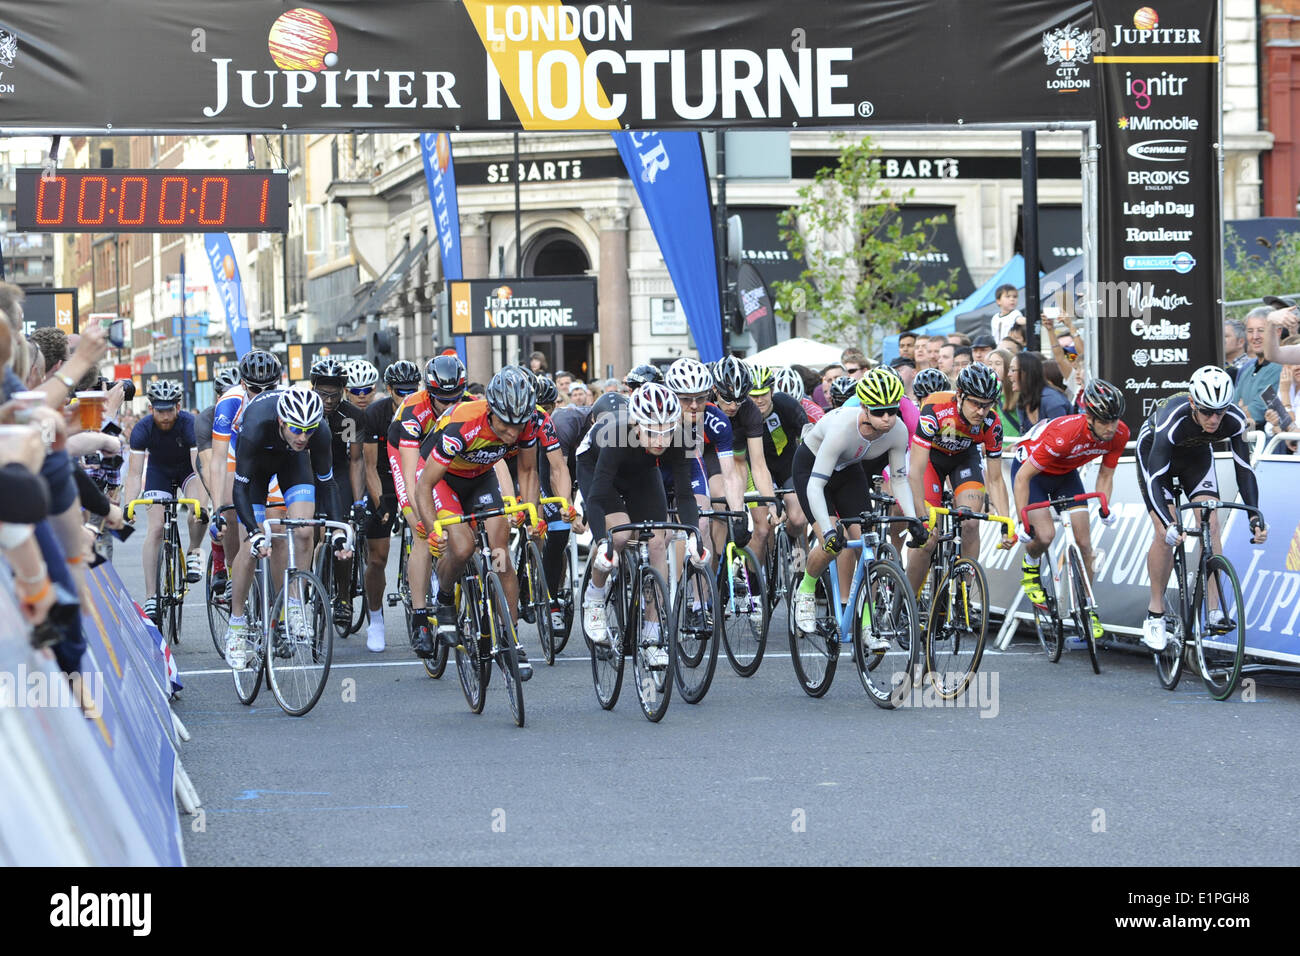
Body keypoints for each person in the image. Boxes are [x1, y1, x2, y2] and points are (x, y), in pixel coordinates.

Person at [414, 367, 540, 677]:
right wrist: (432, 530)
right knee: (461, 546)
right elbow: (424, 487)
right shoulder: (463, 425)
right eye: (506, 425)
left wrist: (531, 511)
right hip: (443, 480)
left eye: (518, 425)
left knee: (500, 556)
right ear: (491, 412)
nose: (513, 433)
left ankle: (511, 640)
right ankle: (444, 598)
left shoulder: (526, 424)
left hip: (480, 477)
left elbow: (528, 471)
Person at [1135, 366, 1266, 651]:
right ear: (1194, 404)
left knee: (1212, 523)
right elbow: (1156, 479)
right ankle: (1155, 613)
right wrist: (1168, 524)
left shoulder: (1234, 420)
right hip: (1156, 457)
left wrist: (1254, 515)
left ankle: (1215, 609)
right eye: (1207, 411)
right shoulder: (1172, 419)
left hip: (1196, 457)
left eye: (1220, 412)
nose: (1214, 419)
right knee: (1164, 531)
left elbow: (1243, 470)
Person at [225, 388, 351, 669]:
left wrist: (339, 531)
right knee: (250, 546)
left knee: (305, 529)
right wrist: (254, 532)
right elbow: (240, 489)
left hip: (292, 464)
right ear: (282, 421)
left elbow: (328, 483)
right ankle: (236, 625)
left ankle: (295, 605)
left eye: (308, 430)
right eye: (296, 429)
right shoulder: (256, 425)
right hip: (255, 469)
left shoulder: (317, 433)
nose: (303, 437)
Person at [791, 370, 921, 639]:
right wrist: (828, 531)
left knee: (867, 544)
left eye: (892, 411)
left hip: (849, 470)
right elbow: (815, 486)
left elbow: (899, 480)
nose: (887, 418)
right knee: (832, 545)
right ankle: (805, 589)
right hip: (812, 470)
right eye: (879, 412)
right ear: (864, 407)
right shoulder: (841, 429)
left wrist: (912, 518)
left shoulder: (898, 430)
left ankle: (865, 624)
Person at [581, 383, 704, 666]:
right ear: (636, 425)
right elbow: (597, 499)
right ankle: (595, 597)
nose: (660, 439)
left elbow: (685, 495)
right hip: (597, 467)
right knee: (620, 536)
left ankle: (652, 633)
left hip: (641, 471)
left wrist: (695, 536)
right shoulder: (616, 435)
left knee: (658, 541)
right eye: (652, 432)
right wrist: (603, 543)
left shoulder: (680, 437)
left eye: (666, 431)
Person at [1013, 379, 1129, 641]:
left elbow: (1106, 475)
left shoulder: (1120, 433)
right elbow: (1022, 479)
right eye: (1104, 421)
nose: (1111, 427)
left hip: (1065, 473)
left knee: (1085, 545)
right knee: (1044, 535)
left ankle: (1087, 608)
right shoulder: (1065, 435)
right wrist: (1022, 520)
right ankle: (1031, 565)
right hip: (1033, 474)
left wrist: (1104, 507)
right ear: (1088, 416)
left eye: (1115, 419)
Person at [906, 363, 1014, 596]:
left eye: (987, 405)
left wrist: (1006, 523)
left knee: (971, 521)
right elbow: (915, 470)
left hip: (964, 459)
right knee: (928, 538)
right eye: (975, 403)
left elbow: (995, 479)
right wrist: (921, 517)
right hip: (931, 462)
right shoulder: (935, 407)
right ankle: (907, 602)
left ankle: (964, 593)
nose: (982, 411)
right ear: (959, 395)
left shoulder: (992, 423)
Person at [387, 353, 467, 654]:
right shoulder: (412, 411)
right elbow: (412, 476)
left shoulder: (468, 403)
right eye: (441, 400)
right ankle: (420, 618)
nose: (449, 405)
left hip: (445, 459)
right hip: (408, 456)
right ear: (429, 393)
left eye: (455, 398)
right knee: (423, 530)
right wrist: (420, 514)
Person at [121, 379, 205, 622]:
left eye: (170, 409)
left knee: (197, 509)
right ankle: (151, 598)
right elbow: (135, 474)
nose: (165, 416)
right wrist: (129, 504)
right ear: (151, 409)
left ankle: (194, 551)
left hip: (187, 470)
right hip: (159, 472)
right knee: (156, 528)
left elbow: (199, 468)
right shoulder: (142, 429)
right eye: (160, 410)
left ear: (178, 407)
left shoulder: (190, 424)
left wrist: (201, 502)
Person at [358, 360, 421, 652]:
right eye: (400, 391)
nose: (406, 397)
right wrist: (381, 501)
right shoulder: (375, 413)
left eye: (412, 390)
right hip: (384, 475)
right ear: (389, 390)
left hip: (415, 472)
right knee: (378, 557)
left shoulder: (424, 409)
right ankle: (375, 618)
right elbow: (369, 466)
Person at [309, 358, 367, 627]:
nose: (329, 401)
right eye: (323, 394)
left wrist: (357, 502)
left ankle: (344, 597)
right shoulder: (305, 409)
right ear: (313, 389)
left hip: (339, 472)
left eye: (335, 395)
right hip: (308, 472)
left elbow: (355, 460)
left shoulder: (351, 416)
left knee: (343, 535)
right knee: (308, 532)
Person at [748, 367, 809, 561]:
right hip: (757, 470)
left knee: (799, 519)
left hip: (787, 467)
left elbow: (808, 438)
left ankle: (794, 548)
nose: (759, 401)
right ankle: (762, 581)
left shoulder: (786, 404)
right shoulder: (743, 413)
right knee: (765, 528)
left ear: (772, 391)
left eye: (763, 394)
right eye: (753, 395)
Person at [1233, 308, 1280, 429]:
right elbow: (1231, 412)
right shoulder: (1247, 370)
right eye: (1250, 331)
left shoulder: (1282, 367)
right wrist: (1241, 411)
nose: (1255, 336)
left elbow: (1257, 412)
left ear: (1277, 332)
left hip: (1271, 444)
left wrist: (1241, 410)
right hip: (1246, 442)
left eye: (1261, 330)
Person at [1010, 349, 1071, 432]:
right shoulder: (1023, 399)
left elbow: (1061, 437)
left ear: (1027, 373)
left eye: (1013, 370)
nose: (1008, 374)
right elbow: (1025, 438)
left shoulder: (1052, 400)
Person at [985, 347, 1020, 439]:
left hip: (1015, 447)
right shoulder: (990, 394)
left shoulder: (1018, 395)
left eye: (998, 363)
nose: (992, 368)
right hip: (997, 448)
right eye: (990, 364)